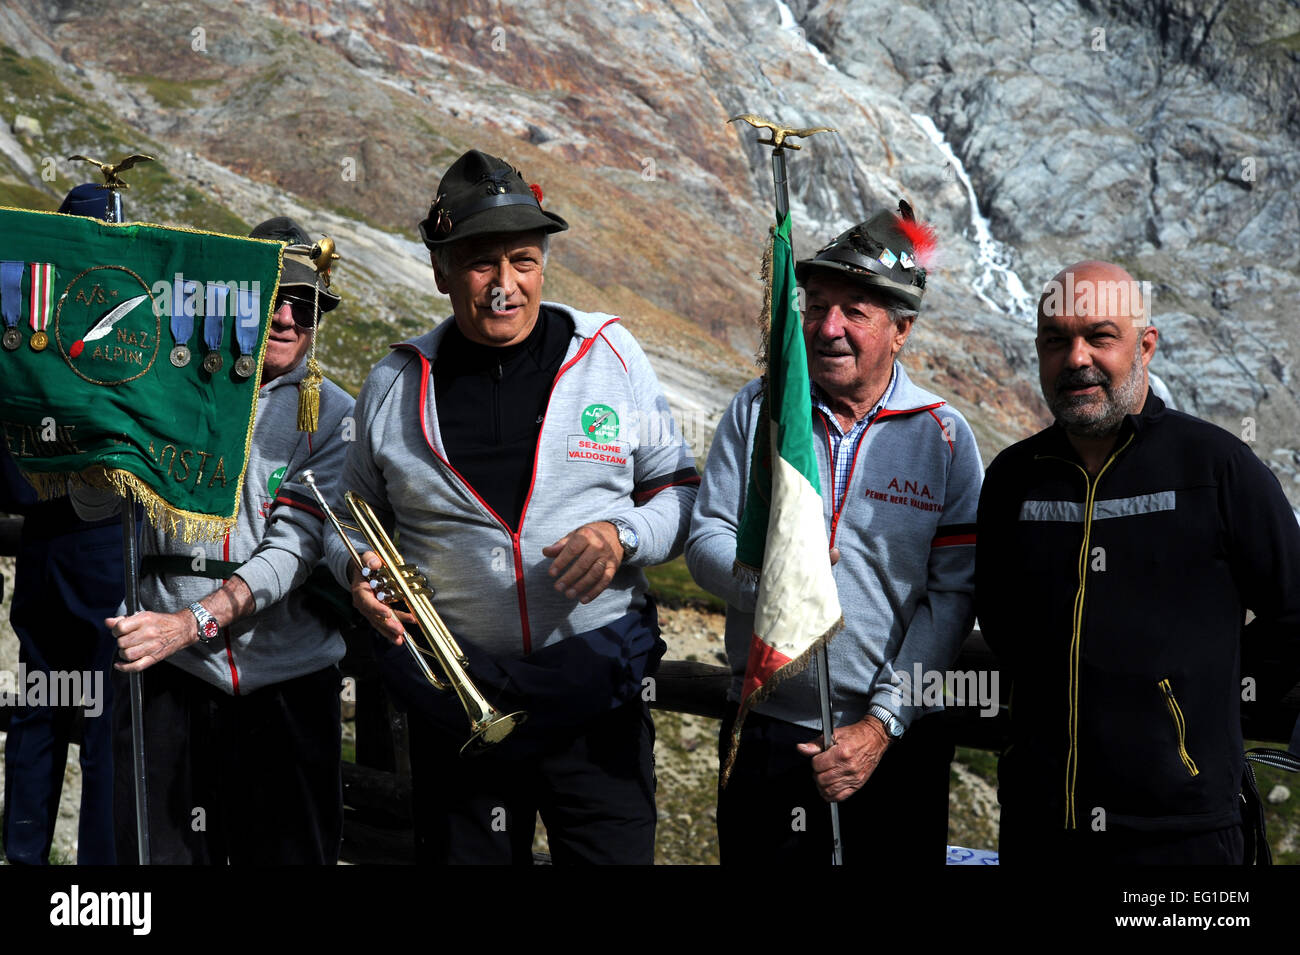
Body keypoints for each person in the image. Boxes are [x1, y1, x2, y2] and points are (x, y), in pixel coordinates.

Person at [325, 148, 699, 864]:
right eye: (480, 263)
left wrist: (623, 536)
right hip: (461, 708)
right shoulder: (394, 382)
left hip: (597, 694)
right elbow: (348, 513)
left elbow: (676, 491)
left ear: (545, 263)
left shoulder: (611, 353)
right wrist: (355, 569)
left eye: (523, 260)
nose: (505, 285)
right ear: (440, 269)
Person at [686, 205, 983, 865]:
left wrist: (880, 724)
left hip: (890, 746)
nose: (828, 328)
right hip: (765, 729)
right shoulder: (759, 407)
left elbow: (952, 598)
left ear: (901, 330)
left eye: (855, 311)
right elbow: (706, 538)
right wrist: (770, 582)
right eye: (816, 305)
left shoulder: (944, 437)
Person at [976, 260, 1300, 864]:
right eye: (1055, 341)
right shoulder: (1012, 478)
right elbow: (999, 618)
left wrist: (1197, 701)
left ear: (1145, 345)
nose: (1076, 359)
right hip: (1040, 826)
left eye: (1100, 336)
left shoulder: (1216, 467)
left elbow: (1296, 610)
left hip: (1184, 837)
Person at [89, 217, 355, 864]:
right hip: (170, 679)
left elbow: (297, 544)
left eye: (306, 303)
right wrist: (99, 426)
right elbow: (90, 503)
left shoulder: (335, 413)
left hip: (286, 681)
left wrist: (192, 621)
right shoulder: (160, 389)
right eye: (272, 299)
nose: (290, 317)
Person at [0, 184, 124, 865]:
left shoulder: (25, 320)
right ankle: (94, 879)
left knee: (47, 710)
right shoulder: (127, 330)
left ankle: (30, 860)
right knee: (91, 717)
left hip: (50, 545)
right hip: (93, 552)